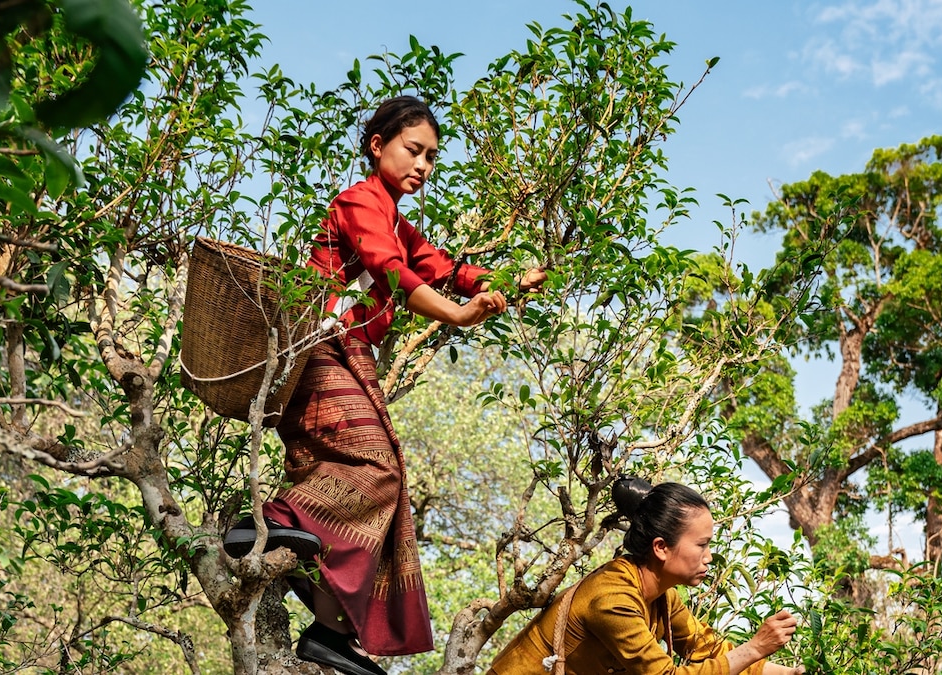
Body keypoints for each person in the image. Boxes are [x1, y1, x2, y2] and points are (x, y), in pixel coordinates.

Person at [223, 95, 547, 675]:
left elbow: (442, 267)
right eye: (413, 150)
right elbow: (392, 270)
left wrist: (507, 283)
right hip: (316, 343)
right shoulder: (358, 202)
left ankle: (328, 632)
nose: (423, 165)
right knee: (377, 467)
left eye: (431, 157)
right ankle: (261, 523)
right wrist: (455, 314)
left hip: (352, 350)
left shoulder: (398, 220)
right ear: (378, 146)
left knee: (385, 488)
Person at [487, 478, 806, 675]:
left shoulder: (662, 596)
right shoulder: (612, 598)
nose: (709, 557)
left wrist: (790, 672)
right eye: (701, 545)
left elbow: (708, 649)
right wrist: (754, 647)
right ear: (661, 547)